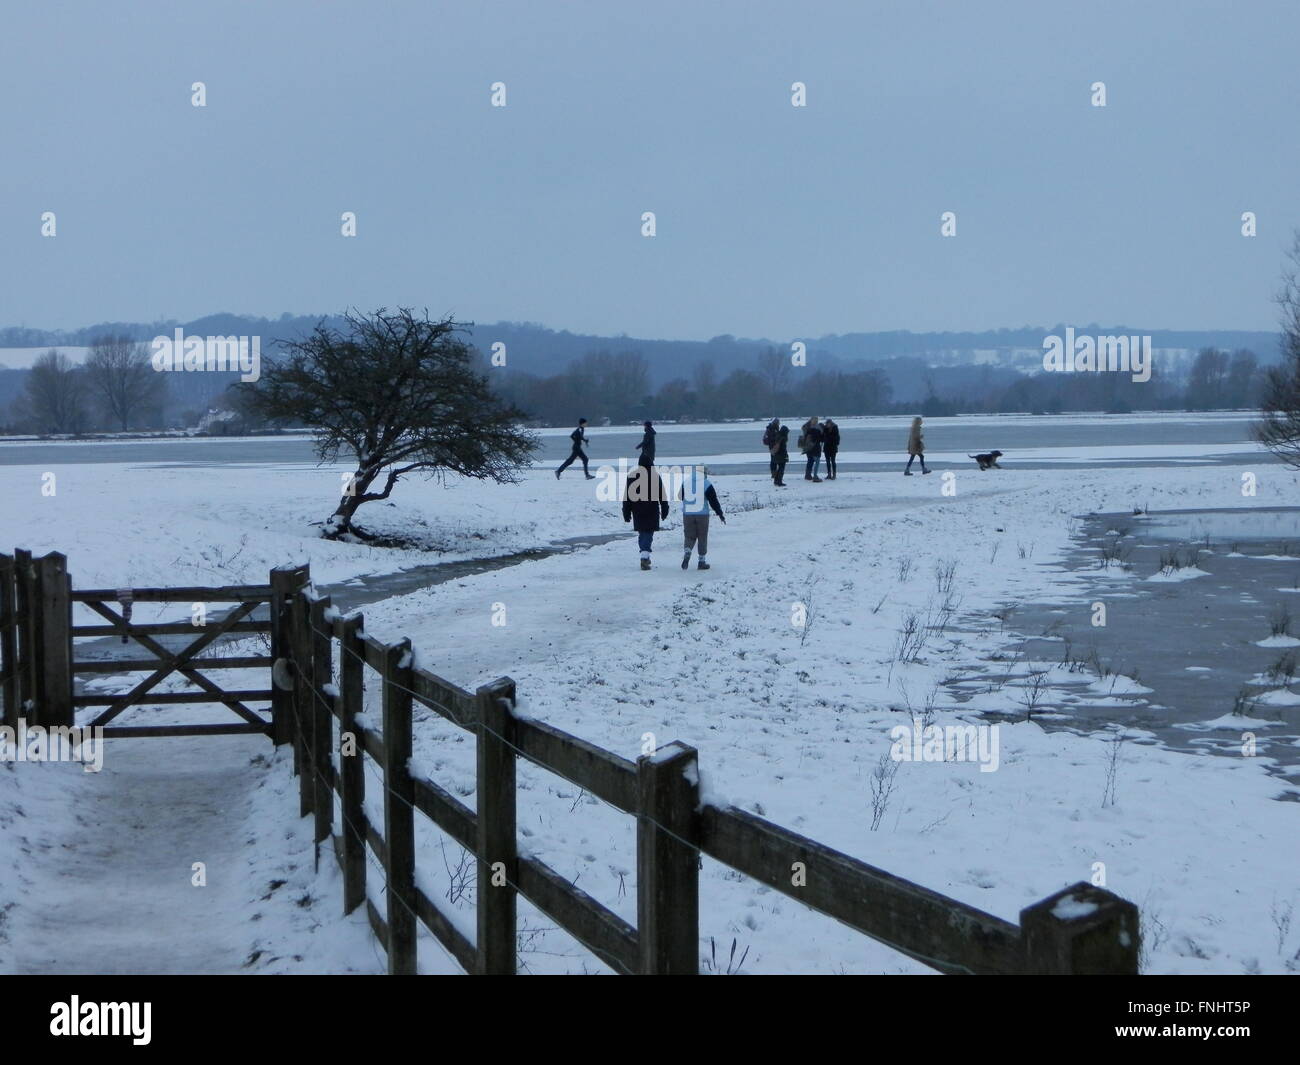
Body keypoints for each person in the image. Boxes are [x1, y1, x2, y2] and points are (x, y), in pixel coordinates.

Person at [622, 463, 670, 570]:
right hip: (651, 510)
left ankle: (645, 555)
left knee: (643, 533)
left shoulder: (631, 476)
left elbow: (627, 497)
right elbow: (662, 495)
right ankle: (644, 557)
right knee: (648, 533)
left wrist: (626, 512)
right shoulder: (655, 476)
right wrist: (665, 509)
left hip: (637, 510)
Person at [678, 464, 726, 570]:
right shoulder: (706, 483)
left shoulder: (686, 482)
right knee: (702, 536)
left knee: (689, 536)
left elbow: (680, 496)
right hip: (702, 514)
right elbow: (713, 501)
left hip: (688, 514)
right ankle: (701, 561)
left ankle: (687, 552)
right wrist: (720, 514)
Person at [800, 416, 824, 482]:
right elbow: (820, 438)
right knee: (813, 461)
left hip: (810, 446)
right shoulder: (811, 427)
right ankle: (811, 475)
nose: (816, 421)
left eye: (816, 420)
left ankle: (808, 475)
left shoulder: (810, 427)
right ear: (812, 420)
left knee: (811, 461)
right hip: (812, 447)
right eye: (815, 420)